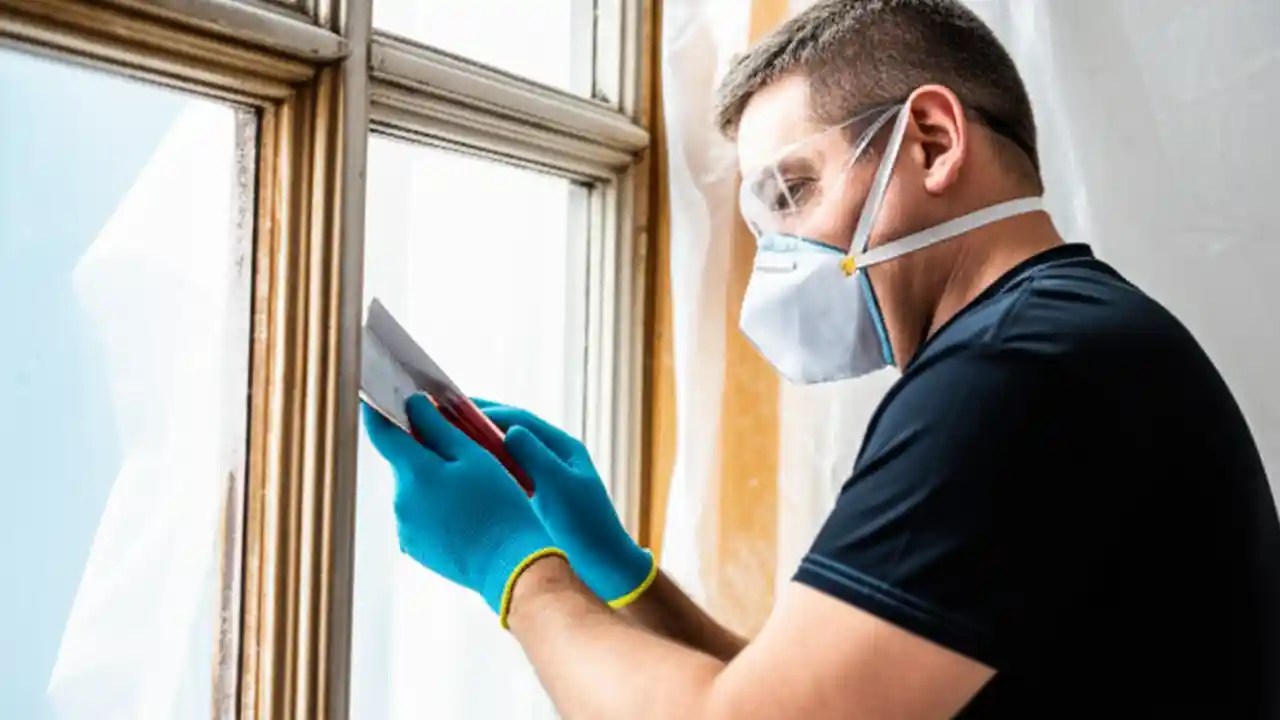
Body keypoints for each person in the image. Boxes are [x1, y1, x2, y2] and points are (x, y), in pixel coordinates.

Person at [361, 0, 1280, 716]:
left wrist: (512, 568)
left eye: (792, 192)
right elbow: (814, 692)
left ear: (932, 140)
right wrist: (615, 571)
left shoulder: (1015, 371)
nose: (778, 262)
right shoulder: (1067, 338)